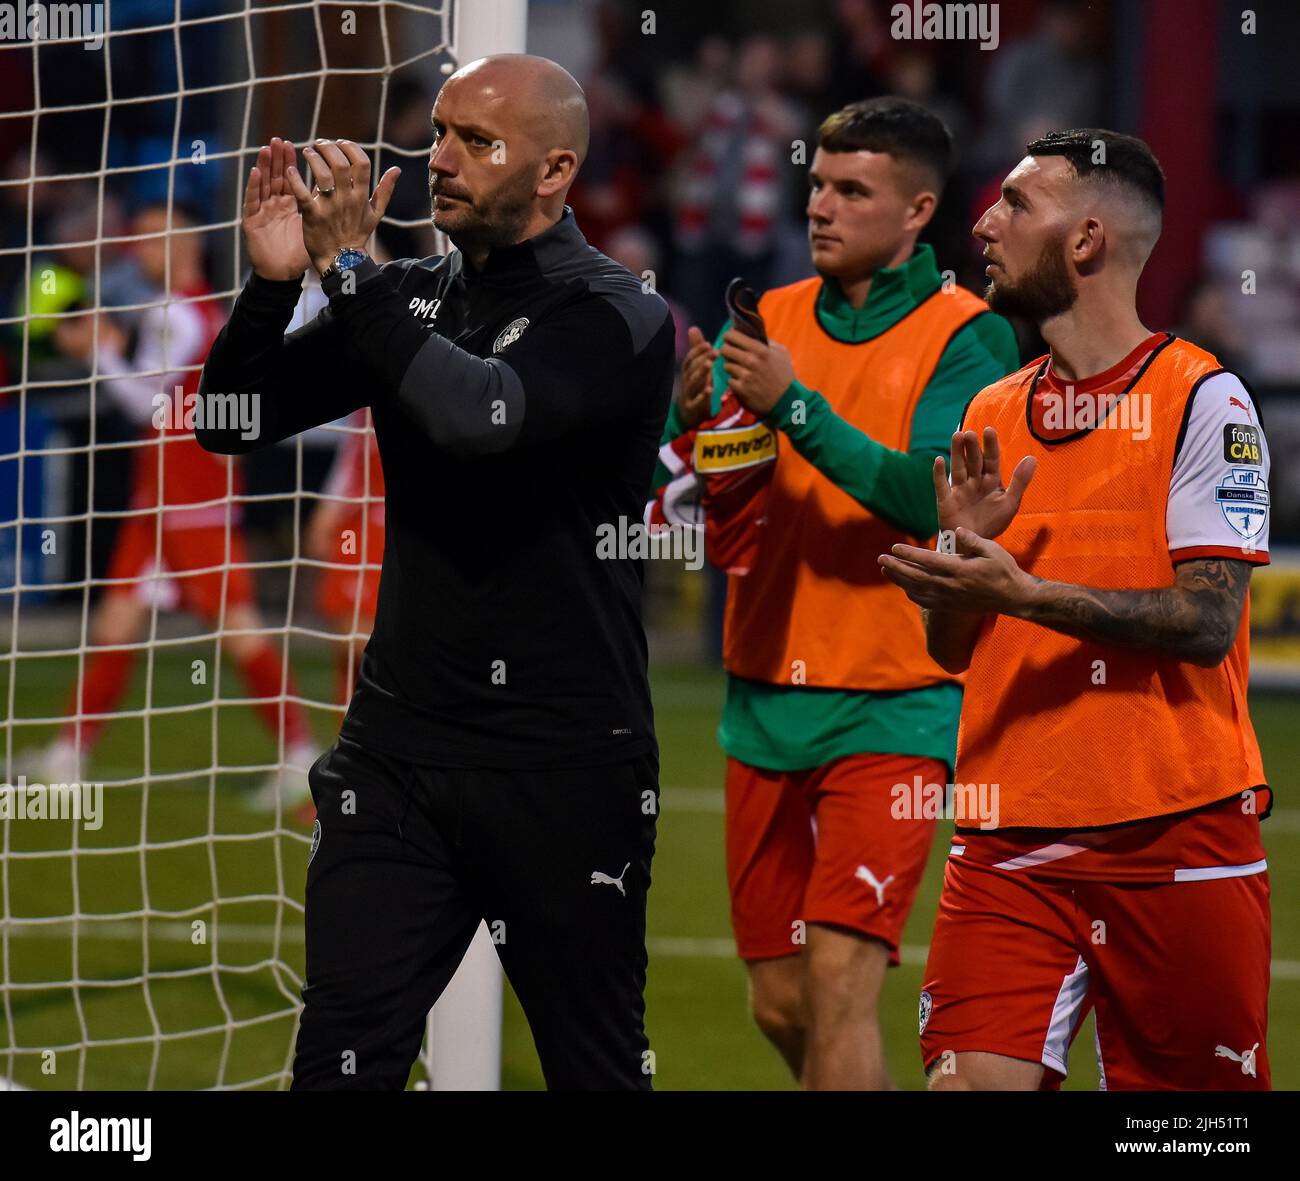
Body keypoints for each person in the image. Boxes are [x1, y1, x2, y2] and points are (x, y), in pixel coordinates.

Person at [195, 54, 676, 1090]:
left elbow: (481, 415)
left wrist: (355, 276)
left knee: (595, 1071)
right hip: (396, 757)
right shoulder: (407, 296)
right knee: (338, 1065)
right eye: (441, 132)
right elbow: (228, 420)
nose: (439, 159)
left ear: (555, 173)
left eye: (476, 142)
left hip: (562, 761)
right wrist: (276, 283)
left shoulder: (616, 315)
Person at [879, 129, 1272, 1090]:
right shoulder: (990, 414)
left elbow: (1206, 622)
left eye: (1015, 204)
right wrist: (964, 580)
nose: (983, 224)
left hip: (1176, 833)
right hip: (1008, 835)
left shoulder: (1204, 401)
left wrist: (1026, 592)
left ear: (1087, 239)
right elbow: (953, 647)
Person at [658, 97, 1018, 1089]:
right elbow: (700, 495)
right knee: (780, 1002)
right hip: (761, 694)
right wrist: (689, 434)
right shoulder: (764, 320)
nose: (820, 205)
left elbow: (929, 496)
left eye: (851, 190)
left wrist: (795, 405)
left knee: (840, 985)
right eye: (817, 183)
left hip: (895, 699)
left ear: (915, 212)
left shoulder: (970, 338)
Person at [37, 202, 316, 807]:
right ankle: (68, 753)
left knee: (240, 633)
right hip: (161, 503)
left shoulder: (178, 314)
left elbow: (145, 405)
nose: (138, 251)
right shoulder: (187, 312)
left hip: (191, 506)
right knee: (113, 627)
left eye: (148, 239)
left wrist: (99, 353)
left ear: (181, 245)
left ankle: (300, 754)